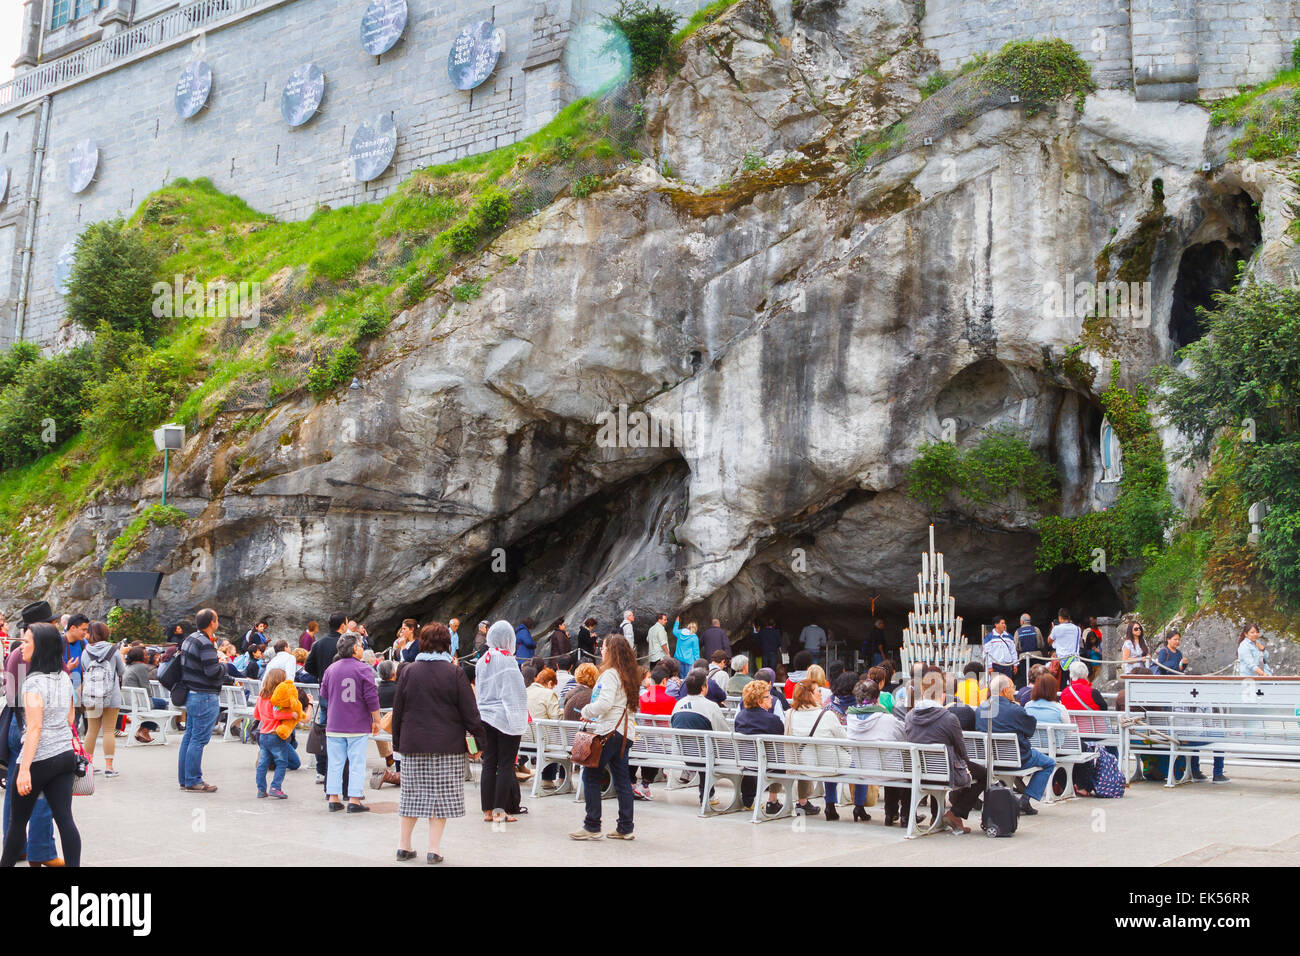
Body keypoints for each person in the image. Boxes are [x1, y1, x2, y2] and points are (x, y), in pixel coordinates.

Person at [392, 622, 484, 863]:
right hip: (447, 746)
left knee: (411, 796)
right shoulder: (454, 673)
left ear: (422, 642)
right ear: (446, 644)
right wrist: (480, 742)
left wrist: (397, 744)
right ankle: (434, 850)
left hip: (413, 745)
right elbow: (470, 713)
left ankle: (404, 846)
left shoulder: (408, 671)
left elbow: (398, 710)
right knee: (440, 799)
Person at [0, 623, 81, 868]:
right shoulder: (64, 678)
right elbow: (69, 719)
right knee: (65, 820)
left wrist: (23, 769)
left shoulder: (32, 683)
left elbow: (34, 728)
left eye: (26, 642)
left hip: (39, 759)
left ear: (39, 648)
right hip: (65, 755)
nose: (21, 647)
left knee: (17, 823)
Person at [570, 634, 640, 841]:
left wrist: (587, 710)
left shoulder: (610, 674)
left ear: (611, 651)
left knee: (590, 776)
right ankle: (625, 827)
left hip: (609, 731)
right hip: (626, 732)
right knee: (622, 781)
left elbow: (604, 704)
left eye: (604, 647)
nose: (601, 650)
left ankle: (592, 825)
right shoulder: (630, 675)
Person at [904, 666, 986, 833]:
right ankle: (956, 812)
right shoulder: (948, 718)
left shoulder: (910, 715)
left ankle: (937, 815)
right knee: (984, 773)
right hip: (946, 770)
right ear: (942, 694)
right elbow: (962, 752)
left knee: (940, 763)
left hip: (919, 768)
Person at [975, 673, 1055, 816]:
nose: (1014, 691)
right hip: (1018, 759)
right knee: (1049, 763)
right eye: (1012, 688)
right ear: (1005, 691)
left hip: (989, 760)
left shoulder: (981, 708)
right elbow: (1030, 730)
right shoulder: (1015, 710)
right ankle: (1025, 799)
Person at [320, 632, 380, 812]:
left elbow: (324, 694)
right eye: (360, 646)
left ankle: (333, 797)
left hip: (334, 724)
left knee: (335, 762)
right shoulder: (363, 669)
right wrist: (376, 719)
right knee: (356, 762)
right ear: (355, 649)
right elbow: (371, 697)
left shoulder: (331, 669)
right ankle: (354, 799)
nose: (362, 649)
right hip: (357, 724)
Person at [477, 621, 529, 823]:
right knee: (506, 763)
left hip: (485, 716)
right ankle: (500, 811)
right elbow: (515, 693)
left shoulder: (483, 660)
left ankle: (488, 811)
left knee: (489, 763)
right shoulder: (507, 660)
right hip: (505, 718)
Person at [783, 677, 850, 818]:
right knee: (844, 759)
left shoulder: (789, 715)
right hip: (828, 766)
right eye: (817, 691)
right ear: (809, 695)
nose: (820, 693)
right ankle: (858, 806)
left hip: (802, 765)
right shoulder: (827, 715)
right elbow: (846, 742)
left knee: (823, 756)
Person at [177, 609, 226, 793]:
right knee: (198, 739)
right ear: (212, 622)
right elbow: (212, 671)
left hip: (192, 693)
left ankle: (185, 778)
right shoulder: (205, 643)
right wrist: (224, 665)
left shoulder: (190, 639)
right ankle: (193, 780)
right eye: (217, 619)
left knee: (189, 737)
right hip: (205, 695)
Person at [845, 677, 903, 823]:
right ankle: (905, 815)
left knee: (890, 763)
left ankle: (892, 813)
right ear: (877, 697)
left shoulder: (850, 717)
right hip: (885, 771)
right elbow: (904, 735)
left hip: (861, 770)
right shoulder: (887, 719)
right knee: (900, 767)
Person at [670, 669, 729, 807]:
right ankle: (708, 796)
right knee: (708, 750)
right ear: (704, 687)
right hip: (706, 756)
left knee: (703, 749)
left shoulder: (678, 705)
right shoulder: (710, 706)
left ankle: (709, 795)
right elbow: (724, 733)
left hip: (684, 755)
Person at [79, 621, 124, 779]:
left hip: (92, 696)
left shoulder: (86, 652)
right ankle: (109, 768)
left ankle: (86, 765)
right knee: (108, 731)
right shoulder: (114, 650)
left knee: (91, 730)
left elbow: (84, 669)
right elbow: (122, 670)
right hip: (111, 696)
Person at [733, 679, 785, 813]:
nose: (772, 698)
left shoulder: (739, 717)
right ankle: (772, 800)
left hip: (746, 762)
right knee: (780, 758)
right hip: (769, 765)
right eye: (768, 696)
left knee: (753, 760)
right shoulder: (773, 720)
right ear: (759, 701)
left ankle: (748, 800)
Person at [253, 667, 304, 799]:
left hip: (263, 733)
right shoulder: (276, 698)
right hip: (275, 733)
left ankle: (261, 789)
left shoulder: (261, 696)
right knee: (281, 762)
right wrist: (291, 715)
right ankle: (275, 787)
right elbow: (277, 714)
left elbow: (256, 715)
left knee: (263, 763)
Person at [1047, 608, 1083, 675]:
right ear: (1069, 617)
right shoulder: (1078, 629)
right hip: (1075, 661)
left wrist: (1052, 628)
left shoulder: (1056, 628)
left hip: (1062, 662)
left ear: (1060, 618)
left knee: (1063, 684)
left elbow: (1049, 641)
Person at [983, 617, 1018, 683]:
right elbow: (986, 653)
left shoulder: (1009, 637)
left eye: (1004, 623)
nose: (1004, 625)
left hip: (1007, 666)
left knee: (1007, 686)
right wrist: (989, 666)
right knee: (996, 686)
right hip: (995, 666)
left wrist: (1015, 664)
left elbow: (1013, 651)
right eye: (1002, 623)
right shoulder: (989, 637)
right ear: (996, 624)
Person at [1013, 613, 1043, 688]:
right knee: (1038, 676)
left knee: (1025, 678)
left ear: (1022, 622)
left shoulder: (1018, 632)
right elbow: (1041, 644)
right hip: (1037, 657)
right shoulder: (1036, 629)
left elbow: (1016, 647)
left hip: (1023, 658)